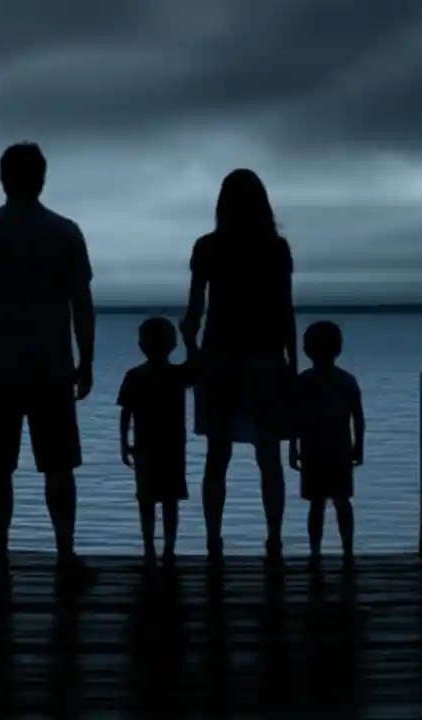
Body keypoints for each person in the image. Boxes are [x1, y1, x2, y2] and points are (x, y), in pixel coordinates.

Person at [0, 142, 96, 581]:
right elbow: (82, 305)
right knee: (59, 467)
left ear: (3, 179)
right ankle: (65, 552)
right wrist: (86, 360)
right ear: (42, 178)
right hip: (51, 366)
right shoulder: (65, 232)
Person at [180, 168, 297, 564]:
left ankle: (214, 539)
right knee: (269, 457)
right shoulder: (275, 248)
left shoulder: (208, 247)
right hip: (265, 359)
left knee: (218, 454)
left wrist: (192, 352)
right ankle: (274, 538)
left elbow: (194, 310)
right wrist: (292, 365)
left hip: (220, 358)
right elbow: (285, 312)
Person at [118, 317, 194, 567]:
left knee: (147, 500)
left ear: (141, 345)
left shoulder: (134, 376)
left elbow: (125, 414)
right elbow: (199, 365)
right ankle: (168, 548)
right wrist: (190, 339)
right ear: (172, 344)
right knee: (169, 501)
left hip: (146, 447)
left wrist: (123, 444)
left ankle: (150, 547)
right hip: (171, 448)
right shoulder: (178, 375)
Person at [290, 321, 364, 569]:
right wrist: (359, 446)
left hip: (314, 451)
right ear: (338, 349)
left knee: (317, 505)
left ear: (307, 349)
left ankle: (316, 551)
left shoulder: (304, 381)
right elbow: (358, 418)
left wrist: (292, 447)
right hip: (338, 450)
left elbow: (294, 420)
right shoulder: (347, 381)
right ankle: (347, 550)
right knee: (340, 502)